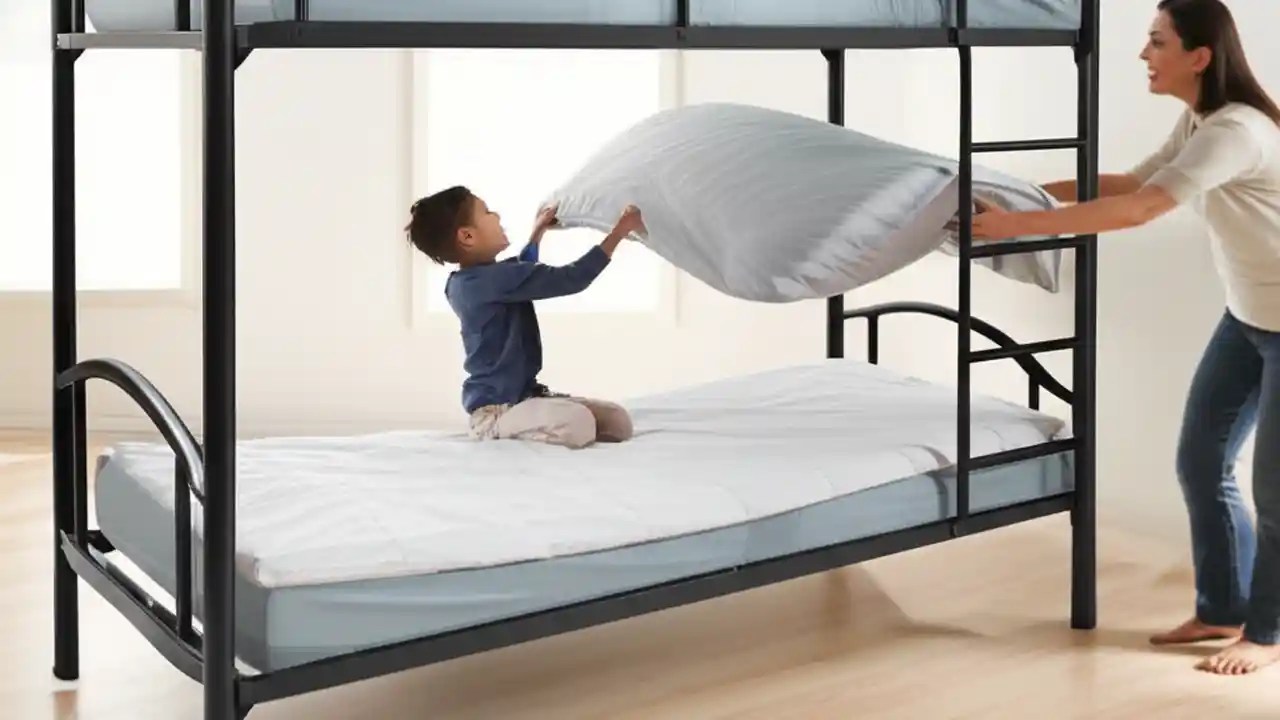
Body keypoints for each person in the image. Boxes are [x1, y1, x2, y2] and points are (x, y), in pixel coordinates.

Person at [965, 0, 1280, 675]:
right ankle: (1223, 607)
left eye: (1156, 41)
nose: (1144, 54)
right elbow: (1134, 181)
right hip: (1250, 316)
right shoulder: (1201, 119)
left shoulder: (1237, 131)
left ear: (1199, 56)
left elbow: (1138, 211)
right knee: (1202, 461)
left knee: (1274, 490)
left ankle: (1266, 633)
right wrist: (1014, 196)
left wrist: (1014, 230)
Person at [405, 186, 643, 449]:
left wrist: (537, 233)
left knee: (617, 422)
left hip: (526, 397)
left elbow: (519, 273)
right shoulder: (487, 283)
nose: (496, 216)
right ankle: (493, 430)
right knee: (578, 424)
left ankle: (536, 414)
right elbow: (571, 278)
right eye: (487, 212)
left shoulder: (467, 281)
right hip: (498, 408)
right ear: (468, 236)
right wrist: (619, 231)